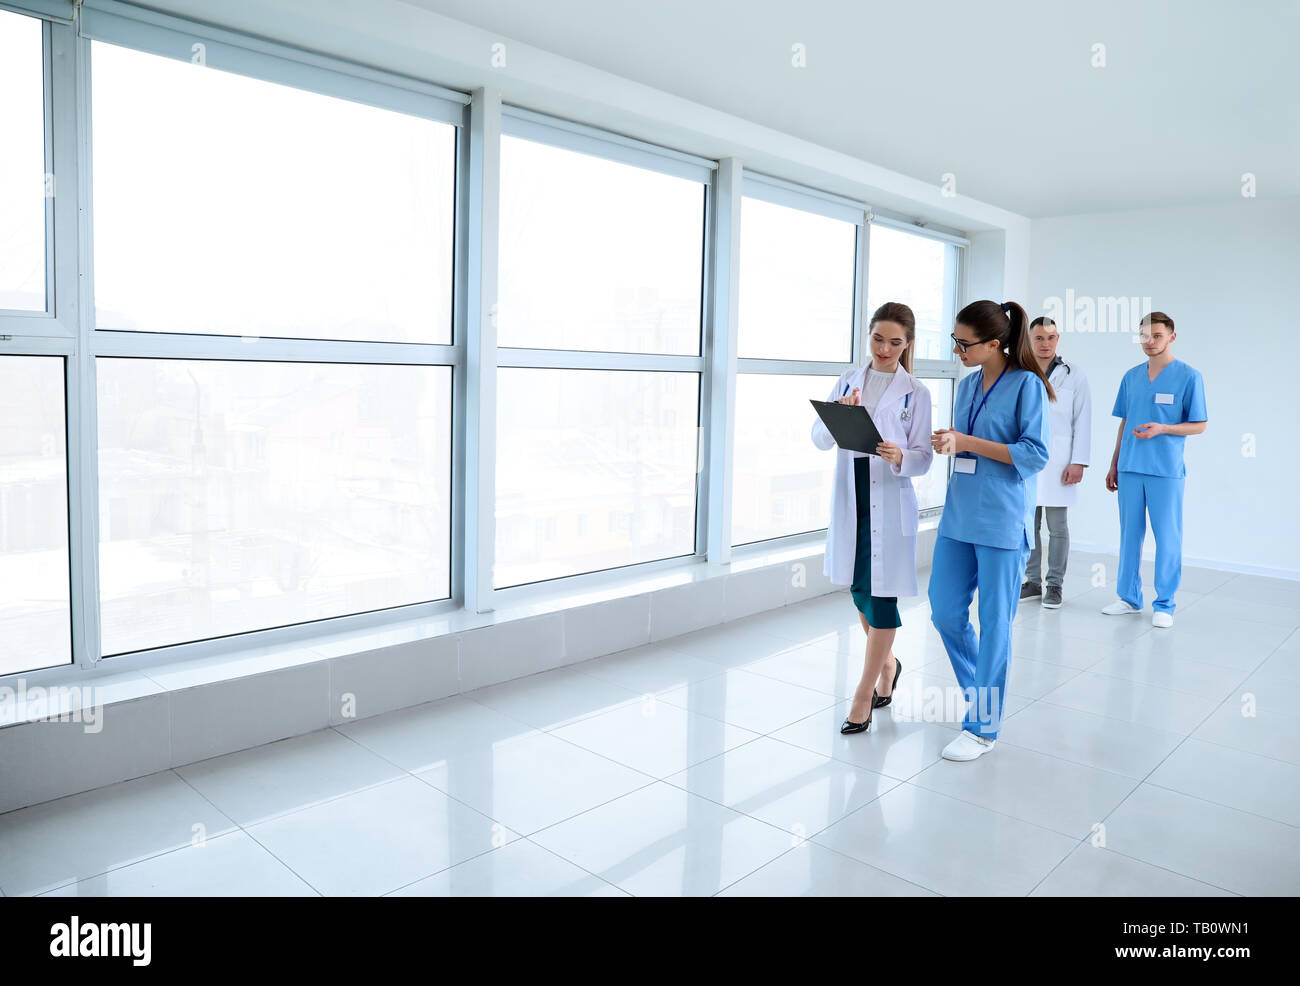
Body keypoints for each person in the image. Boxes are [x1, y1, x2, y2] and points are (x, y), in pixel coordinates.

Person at [928, 300, 1053, 761]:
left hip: (1001, 519)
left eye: (965, 343)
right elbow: (967, 444)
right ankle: (980, 691)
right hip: (959, 515)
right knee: (944, 612)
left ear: (995, 343)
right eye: (955, 341)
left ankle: (983, 726)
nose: (958, 349)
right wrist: (948, 442)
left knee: (996, 623)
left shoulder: (1027, 386)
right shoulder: (964, 387)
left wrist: (969, 443)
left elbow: (1034, 454)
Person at [811, 302, 934, 735]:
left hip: (890, 496)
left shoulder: (916, 392)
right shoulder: (848, 379)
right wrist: (840, 412)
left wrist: (902, 456)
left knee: (882, 597)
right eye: (878, 339)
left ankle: (863, 695)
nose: (884, 349)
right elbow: (820, 437)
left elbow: (923, 456)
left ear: (908, 344)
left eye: (895, 342)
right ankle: (889, 663)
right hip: (853, 498)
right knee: (860, 589)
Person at [1101, 311, 1207, 628]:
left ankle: (1165, 603)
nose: (1150, 341)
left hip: (1165, 470)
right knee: (1129, 535)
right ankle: (1129, 598)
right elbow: (1125, 421)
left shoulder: (1189, 377)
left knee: (1167, 537)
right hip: (1130, 467)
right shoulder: (1131, 377)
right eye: (1144, 336)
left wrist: (1163, 429)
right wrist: (1114, 462)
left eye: (1157, 336)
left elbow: (1199, 425)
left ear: (1171, 337)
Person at [1020, 316, 1092, 609]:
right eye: (1039, 338)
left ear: (1057, 339)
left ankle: (1055, 585)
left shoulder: (1074, 375)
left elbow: (1083, 420)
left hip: (1061, 460)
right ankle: (1032, 581)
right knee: (1029, 523)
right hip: (1027, 458)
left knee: (1057, 526)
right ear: (1030, 339)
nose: (1045, 344)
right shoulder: (1020, 371)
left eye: (1050, 338)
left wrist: (1079, 462)